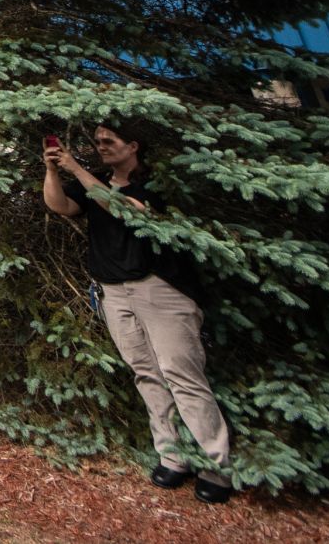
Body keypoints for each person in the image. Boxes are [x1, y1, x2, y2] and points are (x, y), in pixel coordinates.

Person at [43, 125, 231, 503]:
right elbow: (60, 206)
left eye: (109, 142)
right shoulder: (94, 180)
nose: (102, 148)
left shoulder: (156, 182)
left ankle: (217, 466)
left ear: (133, 146)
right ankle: (173, 456)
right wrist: (52, 170)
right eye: (98, 143)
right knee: (145, 373)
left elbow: (130, 213)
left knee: (182, 373)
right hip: (114, 293)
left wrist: (75, 167)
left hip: (159, 290)